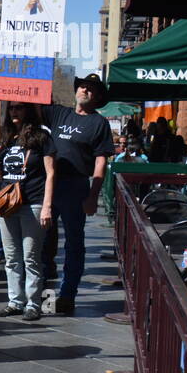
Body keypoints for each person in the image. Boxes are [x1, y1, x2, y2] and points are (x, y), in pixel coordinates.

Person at [40, 73, 113, 315]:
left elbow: (101, 162)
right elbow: (35, 102)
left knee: (74, 244)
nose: (84, 90)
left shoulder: (99, 123)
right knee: (42, 242)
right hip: (49, 184)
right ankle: (43, 298)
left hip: (76, 187)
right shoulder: (60, 113)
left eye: (90, 89)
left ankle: (67, 295)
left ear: (98, 97)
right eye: (82, 86)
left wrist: (93, 195)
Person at [0, 102, 57, 322]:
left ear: (28, 110)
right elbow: (1, 176)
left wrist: (47, 205)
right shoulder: (5, 139)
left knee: (31, 257)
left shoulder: (42, 137)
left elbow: (51, 173)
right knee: (11, 257)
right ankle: (15, 301)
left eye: (19, 108)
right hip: (8, 203)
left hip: (33, 203)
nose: (14, 112)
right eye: (11, 109)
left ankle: (34, 303)